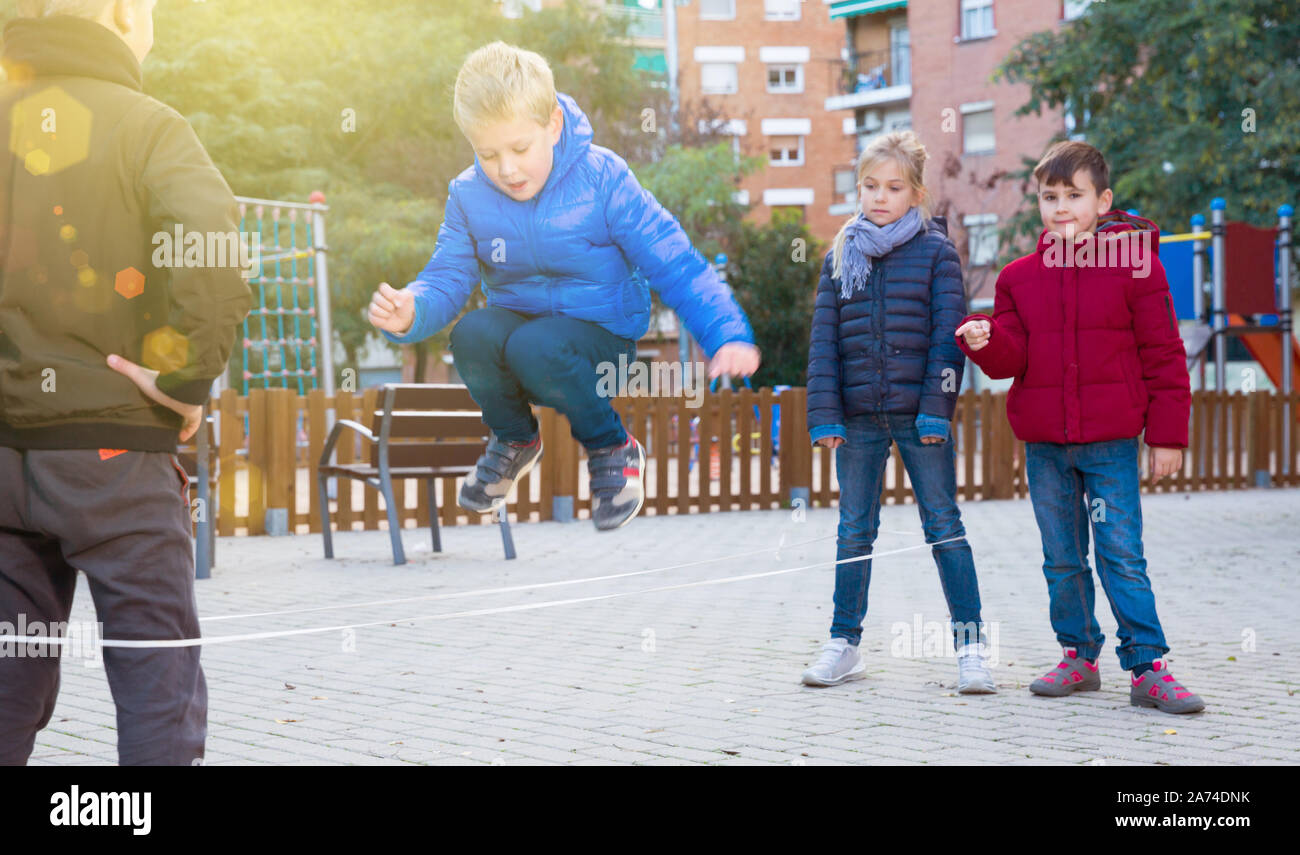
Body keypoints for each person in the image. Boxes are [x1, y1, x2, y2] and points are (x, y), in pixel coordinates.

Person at [366, 41, 759, 532]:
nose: (506, 169)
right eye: (488, 154)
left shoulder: (603, 178)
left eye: (519, 149)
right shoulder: (468, 194)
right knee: (471, 334)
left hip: (601, 350)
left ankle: (613, 446)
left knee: (538, 344)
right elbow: (448, 274)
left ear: (552, 125)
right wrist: (414, 308)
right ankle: (515, 440)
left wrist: (725, 332)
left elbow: (674, 261)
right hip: (525, 344)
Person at [0, 0, 253, 764]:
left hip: (4, 455)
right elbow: (211, 248)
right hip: (115, 452)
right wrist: (186, 378)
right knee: (156, 678)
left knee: (7, 681)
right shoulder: (149, 126)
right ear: (120, 14)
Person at [955, 140, 1203, 714]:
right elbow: (1012, 359)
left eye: (1074, 195)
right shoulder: (1019, 278)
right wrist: (985, 340)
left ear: (1102, 200)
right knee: (1061, 556)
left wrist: (1168, 435)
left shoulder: (1136, 270)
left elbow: (1164, 352)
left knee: (1121, 553)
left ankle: (1148, 667)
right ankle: (1078, 656)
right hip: (1046, 447)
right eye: (1049, 196)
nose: (1061, 206)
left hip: (1111, 443)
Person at [801, 131, 995, 694]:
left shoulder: (937, 253)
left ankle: (972, 648)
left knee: (943, 527)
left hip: (919, 417)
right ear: (858, 189)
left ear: (914, 193)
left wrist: (937, 411)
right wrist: (826, 416)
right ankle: (844, 644)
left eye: (893, 187)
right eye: (869, 186)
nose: (879, 197)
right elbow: (823, 343)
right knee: (853, 530)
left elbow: (947, 339)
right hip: (858, 418)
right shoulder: (841, 254)